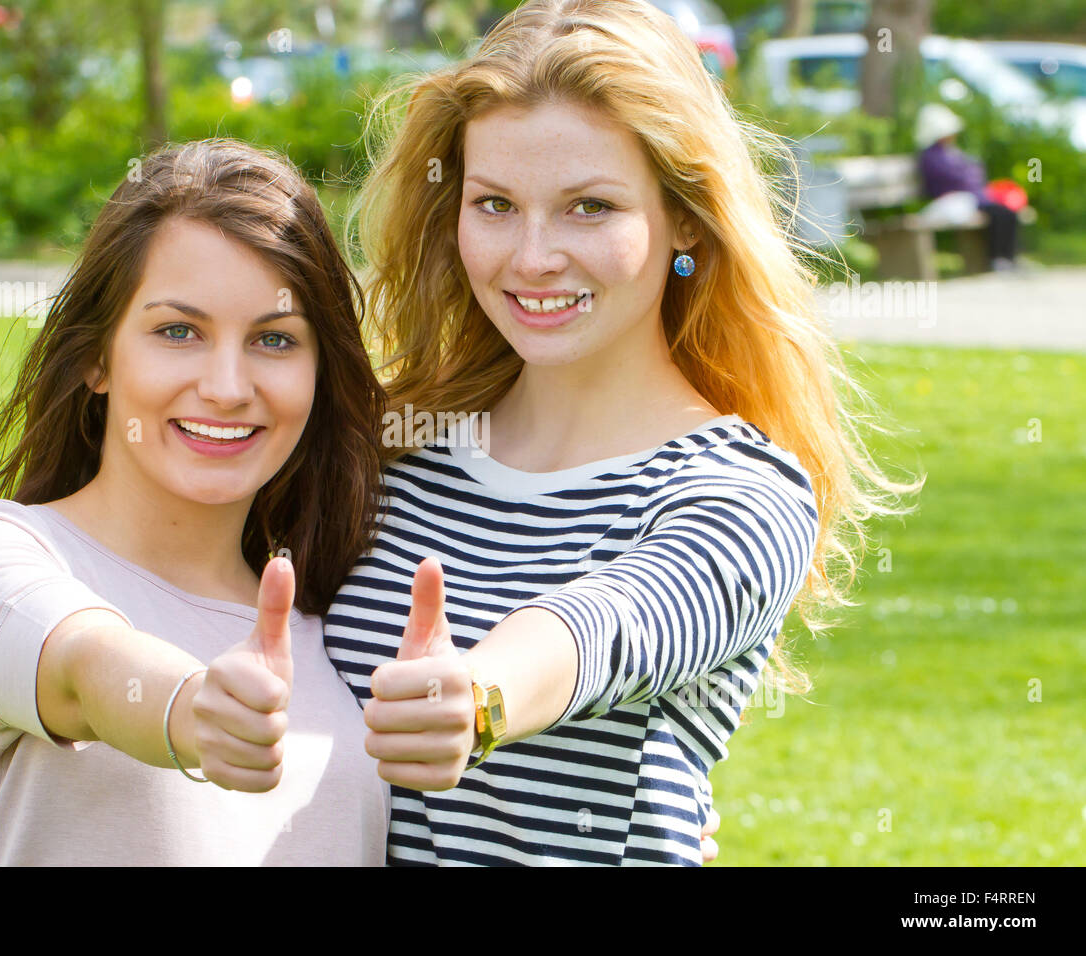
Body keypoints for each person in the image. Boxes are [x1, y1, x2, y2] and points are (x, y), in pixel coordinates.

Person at [326, 0, 920, 865]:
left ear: (684, 219)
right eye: (495, 204)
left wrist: (480, 698)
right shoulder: (394, 450)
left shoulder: (744, 494)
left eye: (589, 207)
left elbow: (611, 625)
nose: (532, 258)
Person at [0, 139, 391, 865]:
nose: (227, 385)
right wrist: (190, 710)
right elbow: (84, 670)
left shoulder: (333, 631)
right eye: (178, 331)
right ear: (98, 355)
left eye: (275, 340)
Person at [916, 103, 1021, 271]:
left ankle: (1008, 258)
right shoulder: (931, 156)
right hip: (956, 201)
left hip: (971, 199)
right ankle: (999, 259)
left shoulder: (951, 152)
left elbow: (974, 171)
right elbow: (956, 178)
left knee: (1007, 213)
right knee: (999, 214)